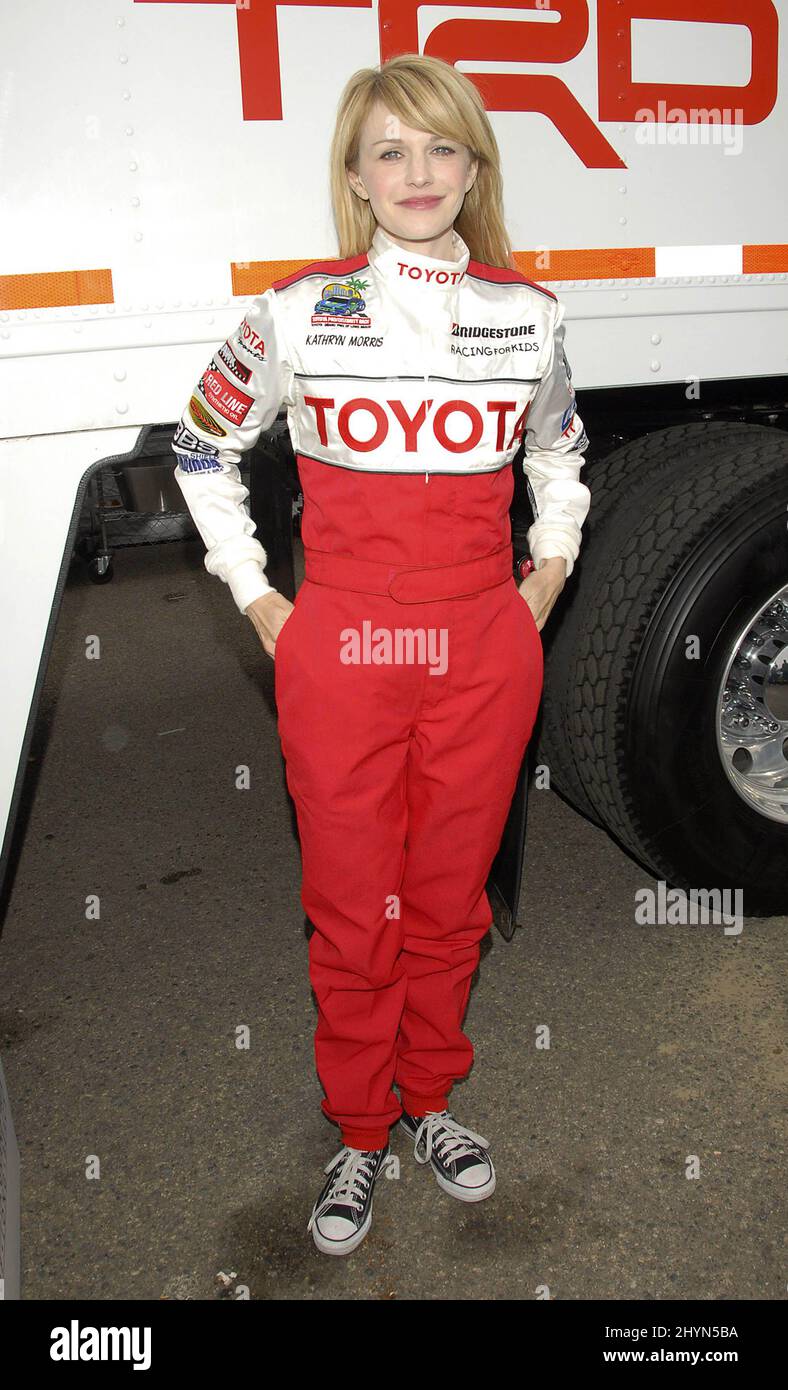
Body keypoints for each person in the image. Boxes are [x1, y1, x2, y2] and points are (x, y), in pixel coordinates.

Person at [171, 53, 590, 1258]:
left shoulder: (530, 312)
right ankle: (359, 1124)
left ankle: (429, 1101)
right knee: (355, 905)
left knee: (449, 898)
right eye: (389, 150)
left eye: (440, 148)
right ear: (354, 177)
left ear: (472, 167)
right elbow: (200, 449)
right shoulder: (295, 310)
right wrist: (261, 602)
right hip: (339, 641)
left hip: (482, 640)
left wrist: (541, 581)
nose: (417, 172)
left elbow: (559, 456)